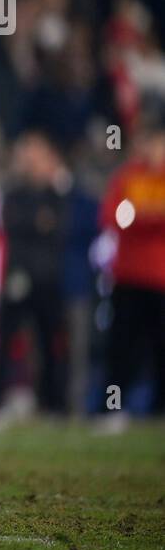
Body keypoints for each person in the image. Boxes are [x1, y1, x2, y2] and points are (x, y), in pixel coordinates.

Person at [0, 130, 71, 416]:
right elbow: (14, 223)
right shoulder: (14, 193)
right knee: (5, 340)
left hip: (48, 277)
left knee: (51, 343)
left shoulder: (58, 193)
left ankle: (55, 403)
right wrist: (38, 222)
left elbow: (60, 226)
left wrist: (38, 222)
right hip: (18, 276)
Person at [99, 118, 165, 418]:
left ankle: (157, 410)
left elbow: (128, 217)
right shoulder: (128, 176)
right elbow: (114, 218)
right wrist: (150, 215)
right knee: (121, 348)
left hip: (160, 280)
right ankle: (113, 409)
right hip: (127, 277)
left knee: (159, 349)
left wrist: (138, 214)